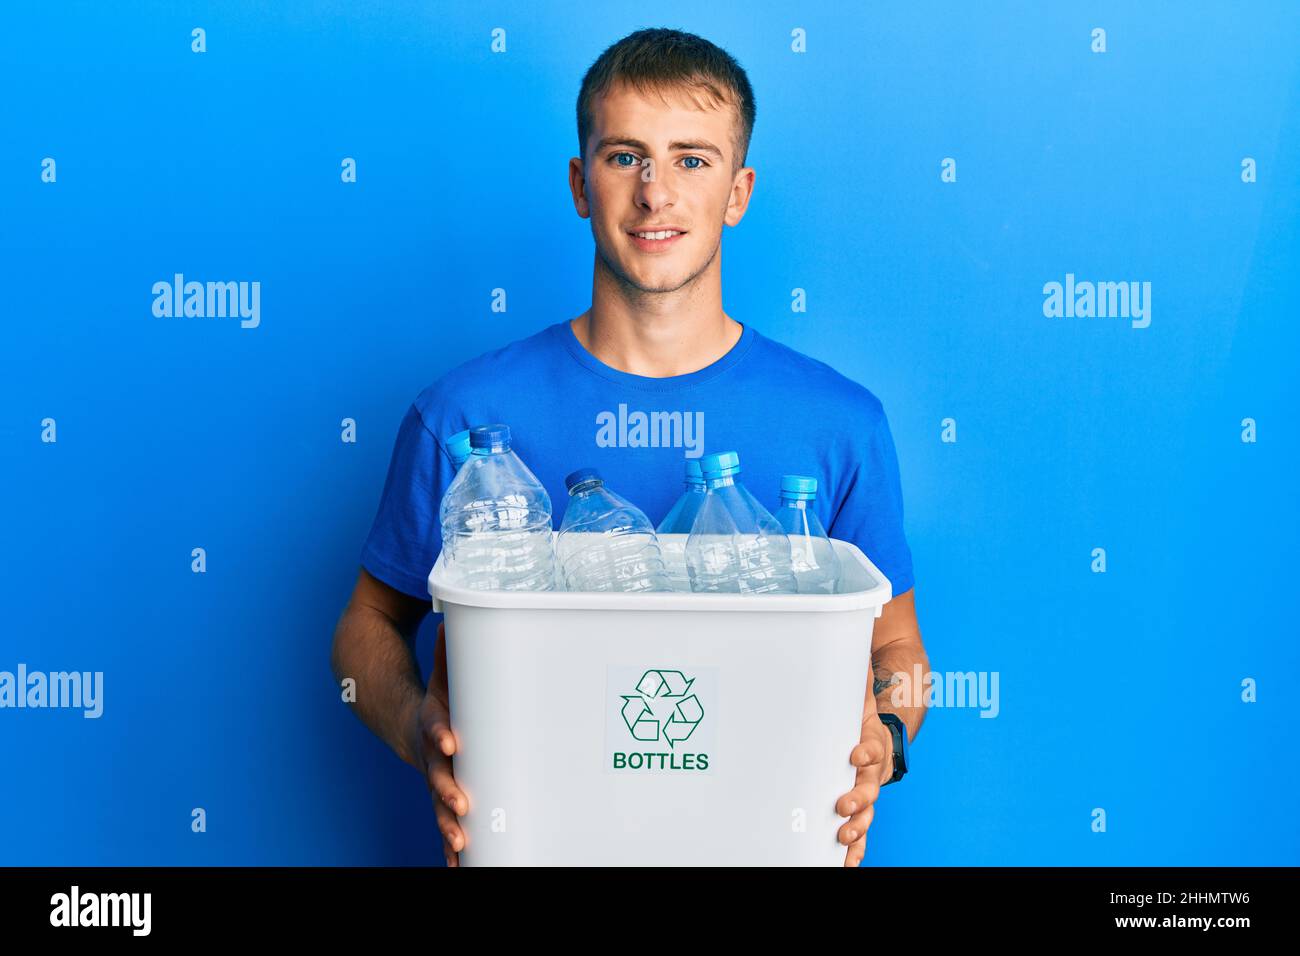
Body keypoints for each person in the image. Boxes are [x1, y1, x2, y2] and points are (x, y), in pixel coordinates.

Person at [330, 27, 931, 868]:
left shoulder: (839, 422)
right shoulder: (462, 415)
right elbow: (367, 625)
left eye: (692, 159)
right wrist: (414, 729)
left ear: (738, 191)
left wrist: (887, 738)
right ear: (581, 184)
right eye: (625, 158)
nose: (656, 193)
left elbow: (899, 652)